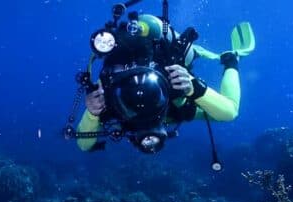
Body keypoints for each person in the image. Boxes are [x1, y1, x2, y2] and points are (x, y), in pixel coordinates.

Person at [75, 14, 246, 153]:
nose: (146, 116)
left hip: (149, 50)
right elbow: (229, 112)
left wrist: (92, 113)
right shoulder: (176, 102)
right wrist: (194, 88)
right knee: (186, 57)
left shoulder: (111, 103)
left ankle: (185, 47)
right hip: (162, 61)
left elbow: (84, 144)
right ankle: (228, 59)